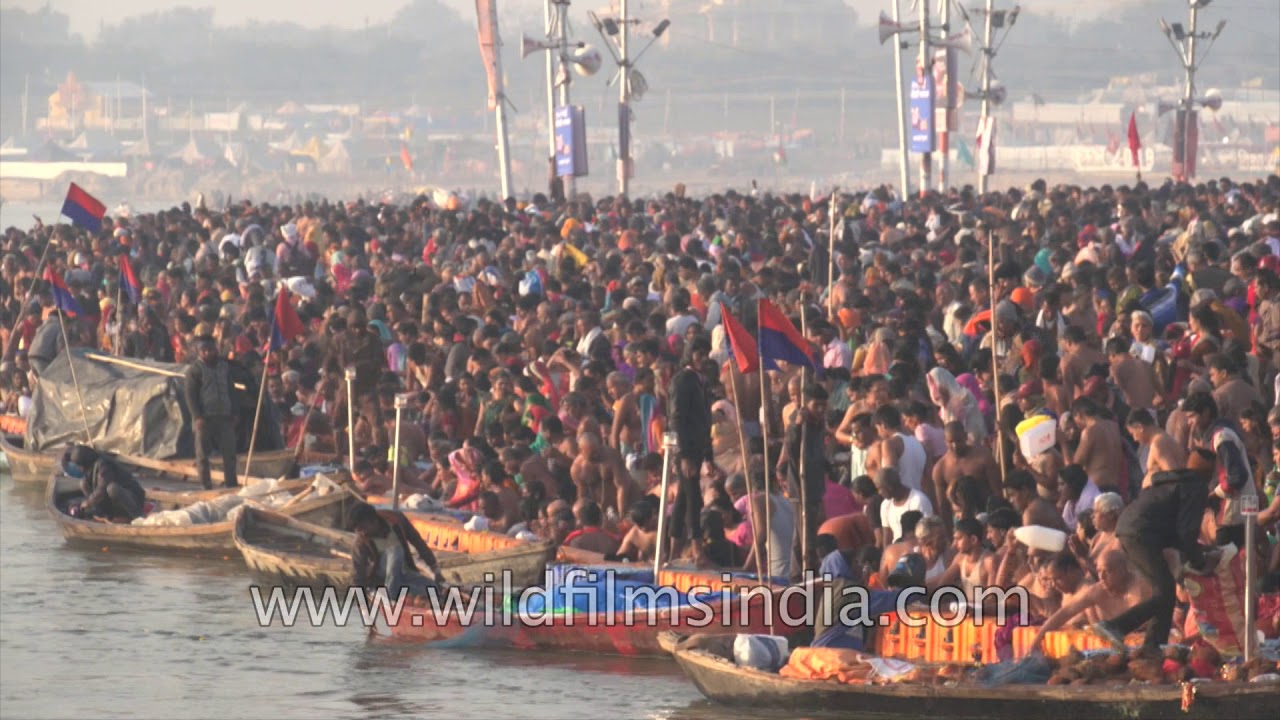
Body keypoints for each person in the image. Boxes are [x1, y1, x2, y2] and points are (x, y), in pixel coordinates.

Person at [1091, 465, 1217, 656]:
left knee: (1164, 590)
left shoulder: (1169, 484)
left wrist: (1200, 551)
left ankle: (1153, 647)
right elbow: (1186, 532)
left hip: (1133, 529)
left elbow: (1176, 531)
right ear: (1209, 474)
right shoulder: (1195, 486)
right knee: (1165, 590)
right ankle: (1116, 626)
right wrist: (1199, 562)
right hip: (1140, 534)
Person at [1183, 390, 1257, 547]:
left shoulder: (1221, 437)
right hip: (1233, 511)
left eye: (1191, 417)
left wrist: (1214, 494)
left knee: (1226, 562)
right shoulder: (1218, 434)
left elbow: (1237, 476)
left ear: (1205, 413)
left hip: (1232, 512)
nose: (1189, 423)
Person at [667, 336, 716, 559]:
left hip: (697, 447)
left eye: (706, 354)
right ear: (690, 354)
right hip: (685, 449)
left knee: (683, 500)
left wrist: (708, 455)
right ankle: (697, 549)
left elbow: (705, 421)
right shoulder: (683, 380)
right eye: (699, 354)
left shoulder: (700, 380)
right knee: (693, 497)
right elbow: (676, 419)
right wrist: (683, 455)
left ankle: (673, 552)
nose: (704, 359)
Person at [347, 501, 443, 597]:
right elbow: (357, 573)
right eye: (358, 530)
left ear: (373, 521)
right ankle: (390, 594)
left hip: (405, 573)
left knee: (432, 587)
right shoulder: (360, 542)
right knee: (396, 551)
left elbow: (418, 543)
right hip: (382, 580)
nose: (361, 533)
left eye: (363, 528)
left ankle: (397, 591)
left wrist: (436, 571)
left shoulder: (396, 520)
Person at [184, 334, 239, 489]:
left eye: (211, 350)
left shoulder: (224, 367)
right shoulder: (194, 370)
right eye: (204, 350)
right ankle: (205, 485)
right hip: (204, 417)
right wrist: (197, 416)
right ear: (199, 352)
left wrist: (235, 412)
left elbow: (231, 390)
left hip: (224, 415)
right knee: (202, 454)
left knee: (229, 453)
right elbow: (190, 395)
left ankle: (231, 483)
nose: (208, 353)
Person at [62, 444, 146, 522]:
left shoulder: (103, 464)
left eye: (79, 465)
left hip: (132, 498)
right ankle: (102, 513)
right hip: (114, 502)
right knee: (84, 483)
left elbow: (102, 488)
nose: (79, 468)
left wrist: (88, 502)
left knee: (112, 489)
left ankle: (137, 516)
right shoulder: (90, 467)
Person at [876, 467, 933, 544]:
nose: (879, 492)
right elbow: (887, 537)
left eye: (880, 488)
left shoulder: (918, 500)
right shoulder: (885, 505)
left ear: (889, 487)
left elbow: (928, 532)